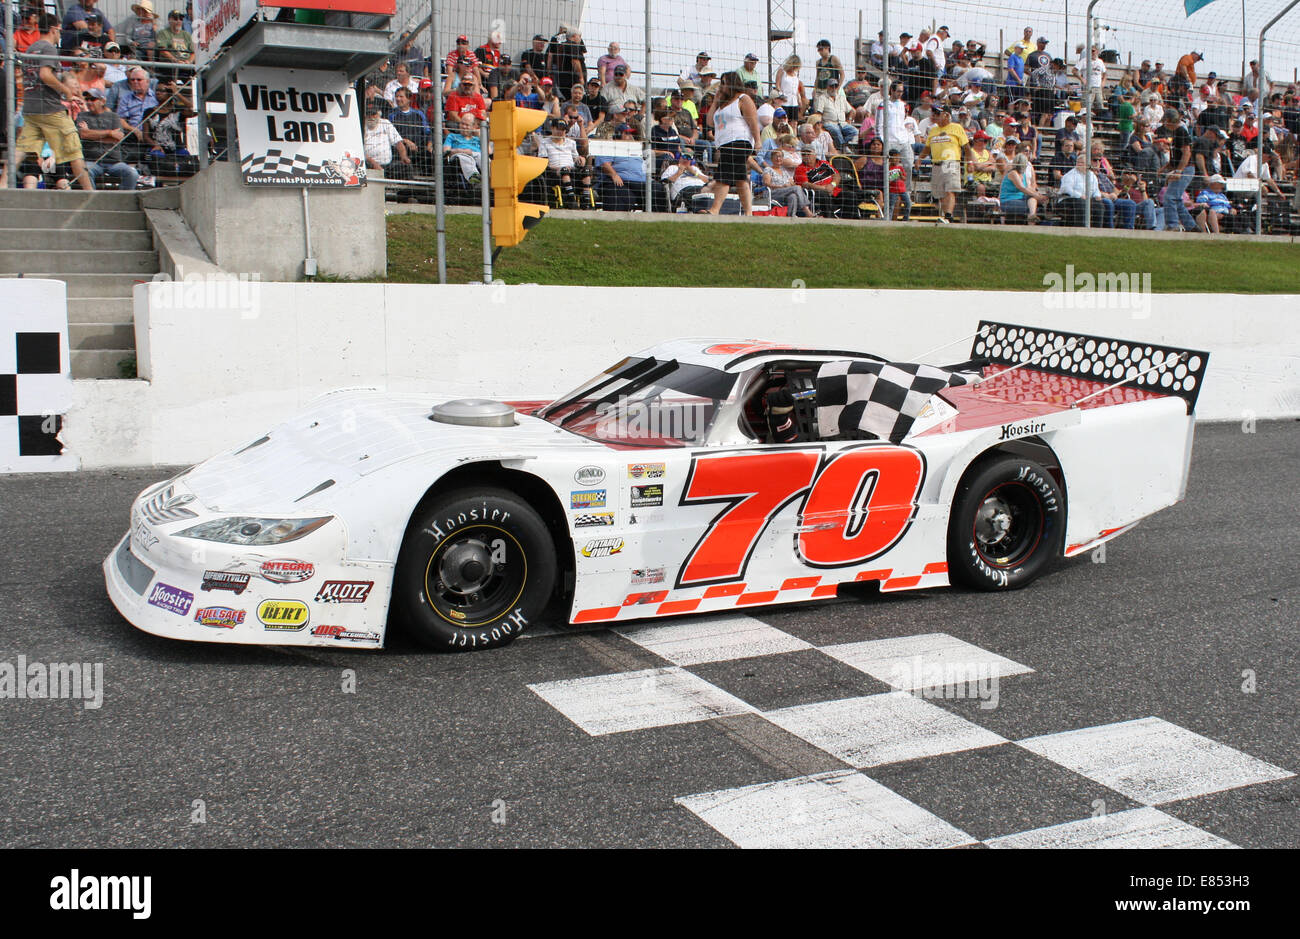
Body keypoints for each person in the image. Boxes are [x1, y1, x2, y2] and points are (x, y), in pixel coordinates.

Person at [17, 13, 93, 189]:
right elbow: (44, 74)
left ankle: (4, 182)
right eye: (59, 30)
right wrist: (65, 90)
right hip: (50, 107)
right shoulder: (49, 48)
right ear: (53, 29)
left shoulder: (30, 49)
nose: (60, 35)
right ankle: (90, 192)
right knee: (75, 150)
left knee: (23, 148)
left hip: (31, 106)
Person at [704, 71, 760, 215]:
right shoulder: (722, 103)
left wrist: (758, 141)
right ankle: (748, 212)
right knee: (740, 178)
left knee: (724, 176)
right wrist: (716, 100)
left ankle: (715, 209)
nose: (722, 86)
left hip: (739, 141)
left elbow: (753, 121)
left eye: (724, 82)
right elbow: (710, 121)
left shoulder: (743, 99)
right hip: (725, 144)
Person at [76, 86, 138, 188]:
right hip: (91, 161)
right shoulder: (82, 116)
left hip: (114, 162)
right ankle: (92, 199)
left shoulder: (113, 116)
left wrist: (91, 134)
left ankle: (124, 200)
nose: (89, 102)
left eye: (93, 99)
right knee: (84, 172)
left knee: (132, 173)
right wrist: (109, 133)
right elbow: (83, 134)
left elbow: (118, 138)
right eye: (87, 99)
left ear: (102, 101)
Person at [924, 103, 969, 223]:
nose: (935, 115)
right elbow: (927, 148)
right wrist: (919, 159)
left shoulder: (956, 127)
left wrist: (970, 162)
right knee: (941, 194)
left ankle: (948, 215)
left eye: (938, 113)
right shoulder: (933, 130)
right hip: (936, 163)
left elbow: (966, 147)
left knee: (950, 189)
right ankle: (946, 217)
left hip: (951, 162)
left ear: (946, 115)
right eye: (934, 113)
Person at [594, 121, 649, 211]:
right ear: (618, 135)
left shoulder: (635, 148)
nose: (631, 136)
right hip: (620, 181)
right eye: (627, 133)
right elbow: (604, 164)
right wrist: (614, 175)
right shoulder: (610, 146)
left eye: (632, 133)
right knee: (623, 196)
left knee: (658, 190)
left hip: (640, 182)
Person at [1157, 107, 1197, 230]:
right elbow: (1175, 157)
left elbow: (1187, 153)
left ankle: (1172, 225)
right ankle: (1192, 227)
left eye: (1165, 120)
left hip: (1186, 169)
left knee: (1169, 197)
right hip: (1182, 168)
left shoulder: (1181, 132)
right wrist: (1164, 168)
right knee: (1177, 200)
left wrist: (1179, 171)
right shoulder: (1175, 133)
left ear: (1169, 120)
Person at [997, 138, 1038, 221]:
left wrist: (1033, 192)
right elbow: (1004, 182)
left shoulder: (1030, 165)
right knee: (1032, 203)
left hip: (1026, 193)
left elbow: (1033, 183)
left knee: (1034, 200)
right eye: (1026, 151)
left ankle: (1032, 222)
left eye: (1029, 151)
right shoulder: (1012, 166)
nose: (1028, 153)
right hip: (1015, 195)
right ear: (1019, 152)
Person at [776, 55, 807, 122]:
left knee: (794, 122)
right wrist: (781, 95)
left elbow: (796, 88)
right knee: (784, 121)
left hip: (794, 101)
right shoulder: (782, 71)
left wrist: (799, 99)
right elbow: (777, 85)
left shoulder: (795, 74)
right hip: (784, 101)